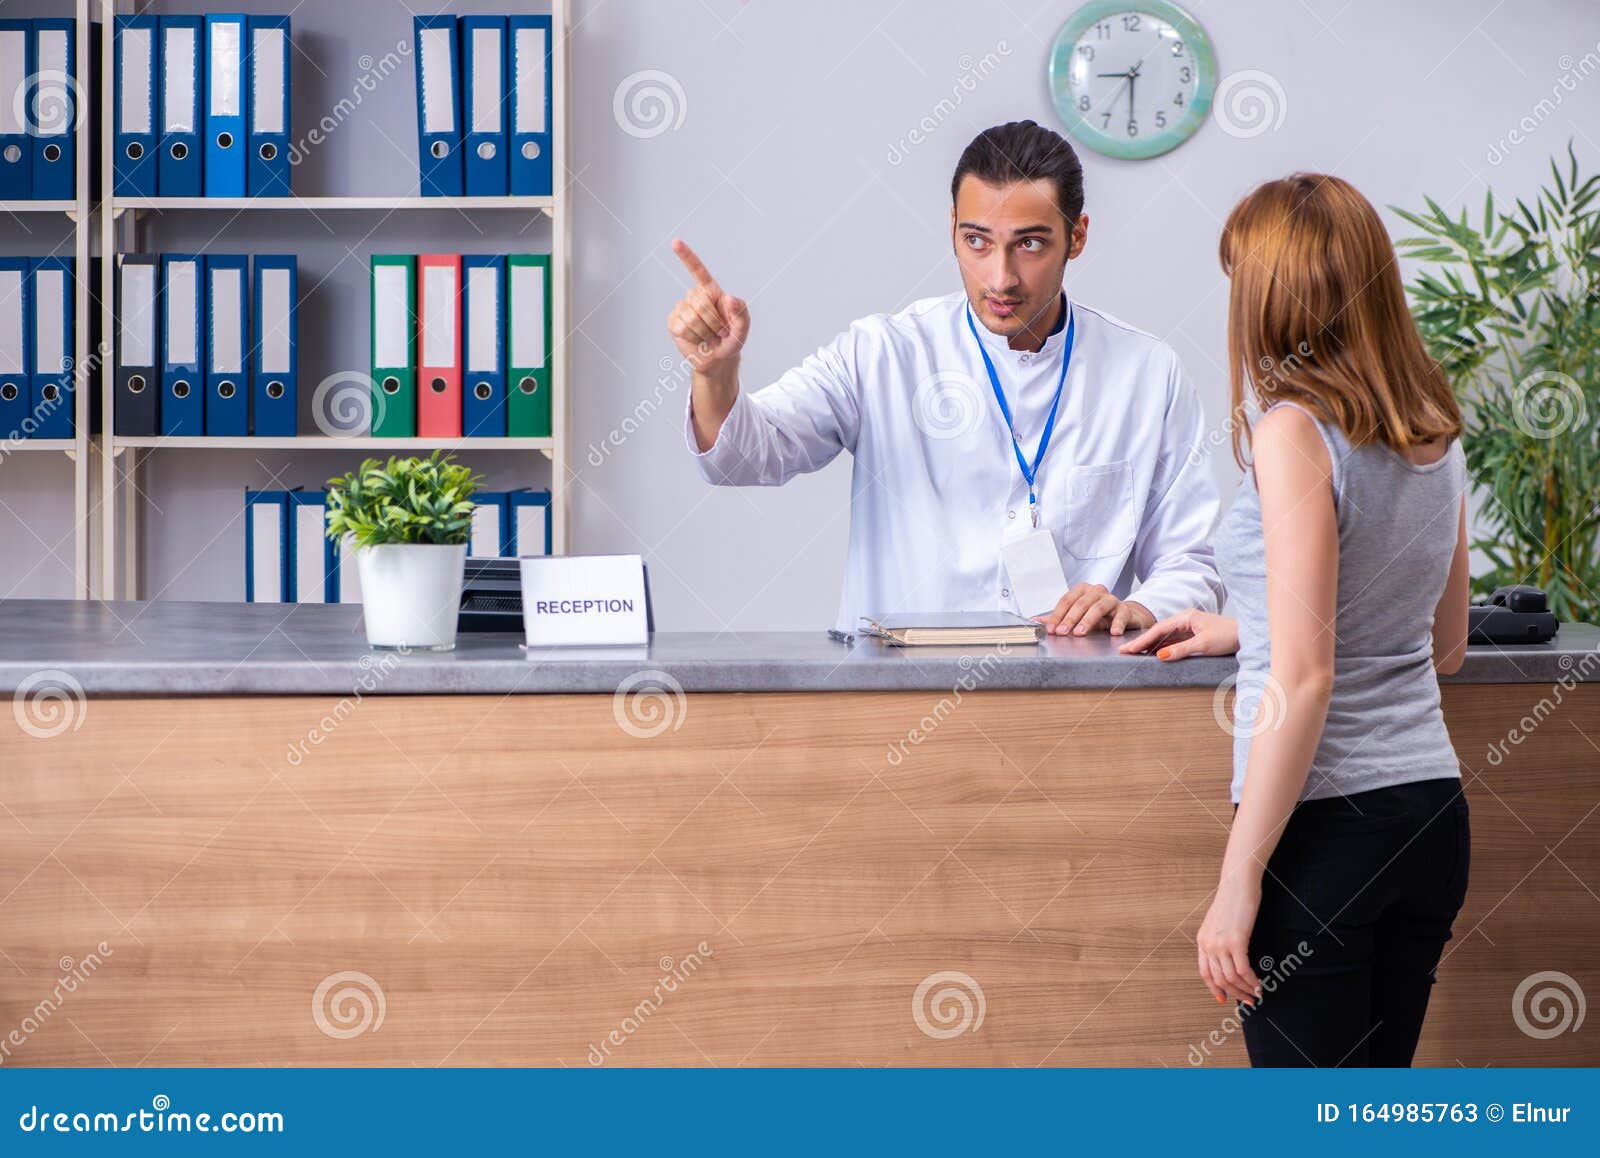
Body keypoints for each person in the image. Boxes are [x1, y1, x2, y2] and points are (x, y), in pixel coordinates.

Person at [1120, 174, 1472, 1067]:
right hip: (1429, 817)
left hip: (1323, 837)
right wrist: (1248, 628)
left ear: (1276, 297)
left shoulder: (1293, 431)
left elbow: (1308, 679)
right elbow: (1444, 643)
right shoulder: (1433, 423)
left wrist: (1239, 882)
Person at [666, 119, 1223, 635]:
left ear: (1076, 237)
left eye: (1029, 243)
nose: (1000, 277)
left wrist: (1137, 608)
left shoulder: (1147, 373)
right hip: (897, 703)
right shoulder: (881, 353)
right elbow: (744, 458)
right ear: (953, 229)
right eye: (977, 241)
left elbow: (1190, 561)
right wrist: (716, 373)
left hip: (1070, 705)